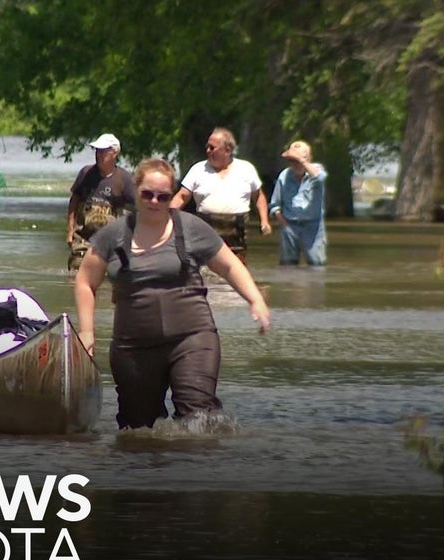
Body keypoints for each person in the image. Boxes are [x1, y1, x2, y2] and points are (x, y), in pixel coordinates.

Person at [75, 158, 271, 429]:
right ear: (136, 190)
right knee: (137, 430)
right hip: (134, 347)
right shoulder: (114, 234)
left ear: (171, 196)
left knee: (198, 419)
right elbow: (85, 281)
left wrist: (255, 299)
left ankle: (194, 469)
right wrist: (87, 332)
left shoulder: (191, 228)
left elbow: (229, 265)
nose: (154, 201)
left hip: (192, 339)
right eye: (147, 194)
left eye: (163, 196)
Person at [169, 127, 272, 264]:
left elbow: (258, 197)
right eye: (207, 147)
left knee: (236, 268)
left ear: (228, 150)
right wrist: (166, 216)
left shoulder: (246, 169)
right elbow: (182, 197)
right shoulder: (198, 169)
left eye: (212, 148)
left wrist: (264, 221)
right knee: (204, 267)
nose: (208, 151)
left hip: (236, 233)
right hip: (206, 229)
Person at [66, 133, 136, 271]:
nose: (99, 154)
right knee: (76, 275)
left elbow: (139, 208)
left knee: (109, 280)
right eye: (97, 150)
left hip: (112, 240)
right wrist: (70, 230)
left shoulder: (125, 179)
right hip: (83, 239)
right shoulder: (86, 173)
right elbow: (74, 200)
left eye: (103, 151)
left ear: (115, 153)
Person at [270, 140, 328, 266]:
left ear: (308, 159)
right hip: (289, 226)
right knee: (287, 267)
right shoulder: (284, 176)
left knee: (317, 266)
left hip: (313, 227)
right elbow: (275, 205)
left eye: (297, 161)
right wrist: (283, 224)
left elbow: (319, 178)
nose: (294, 164)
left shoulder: (316, 170)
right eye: (291, 160)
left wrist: (302, 161)